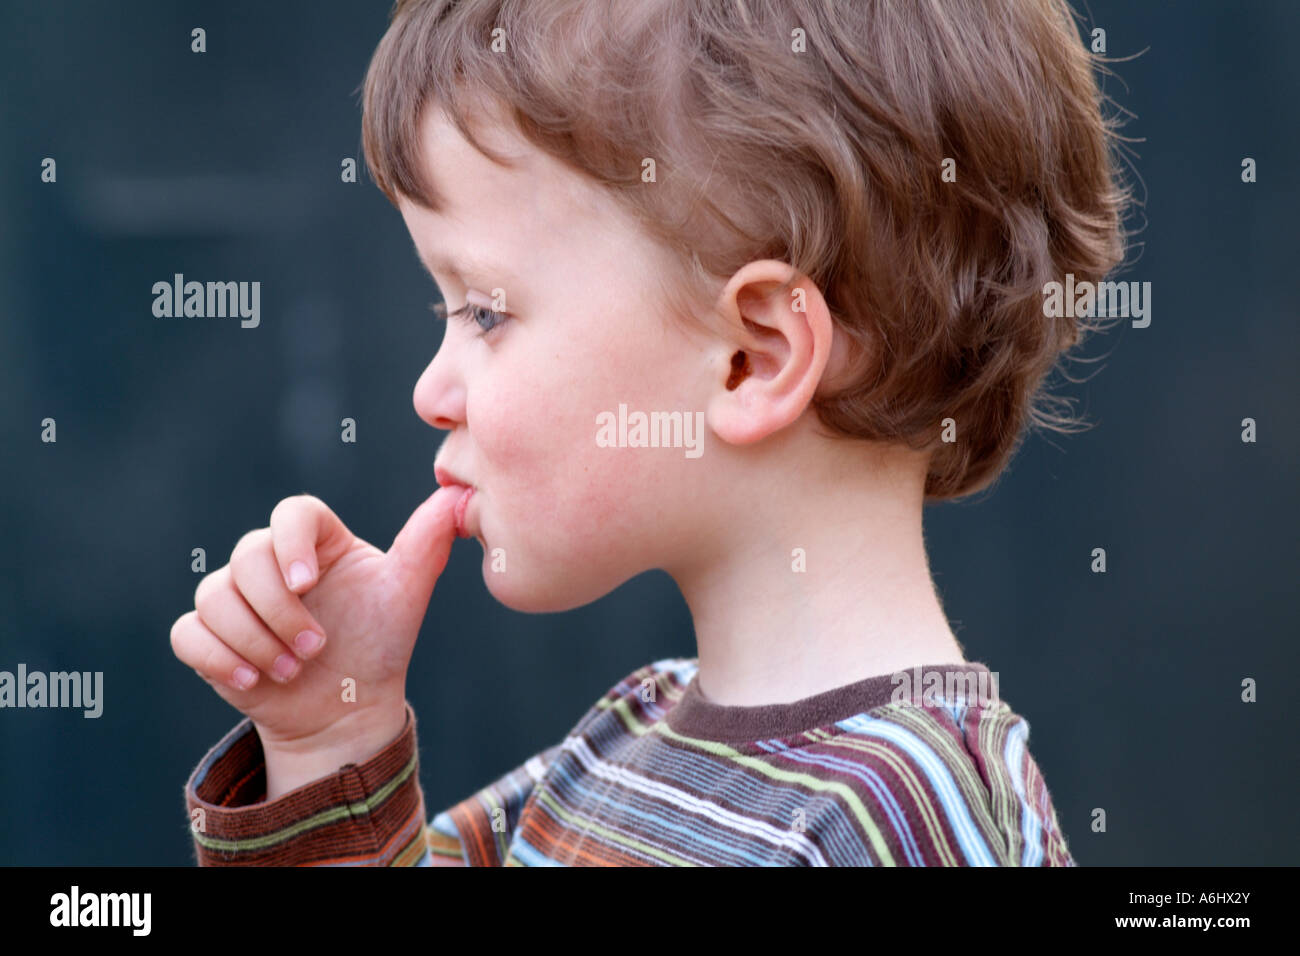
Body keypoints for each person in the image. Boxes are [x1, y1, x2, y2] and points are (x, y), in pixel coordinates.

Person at [172, 0, 1130, 865]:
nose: (431, 391)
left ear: (752, 356)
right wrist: (328, 745)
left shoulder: (904, 822)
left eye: (487, 313)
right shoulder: (621, 741)